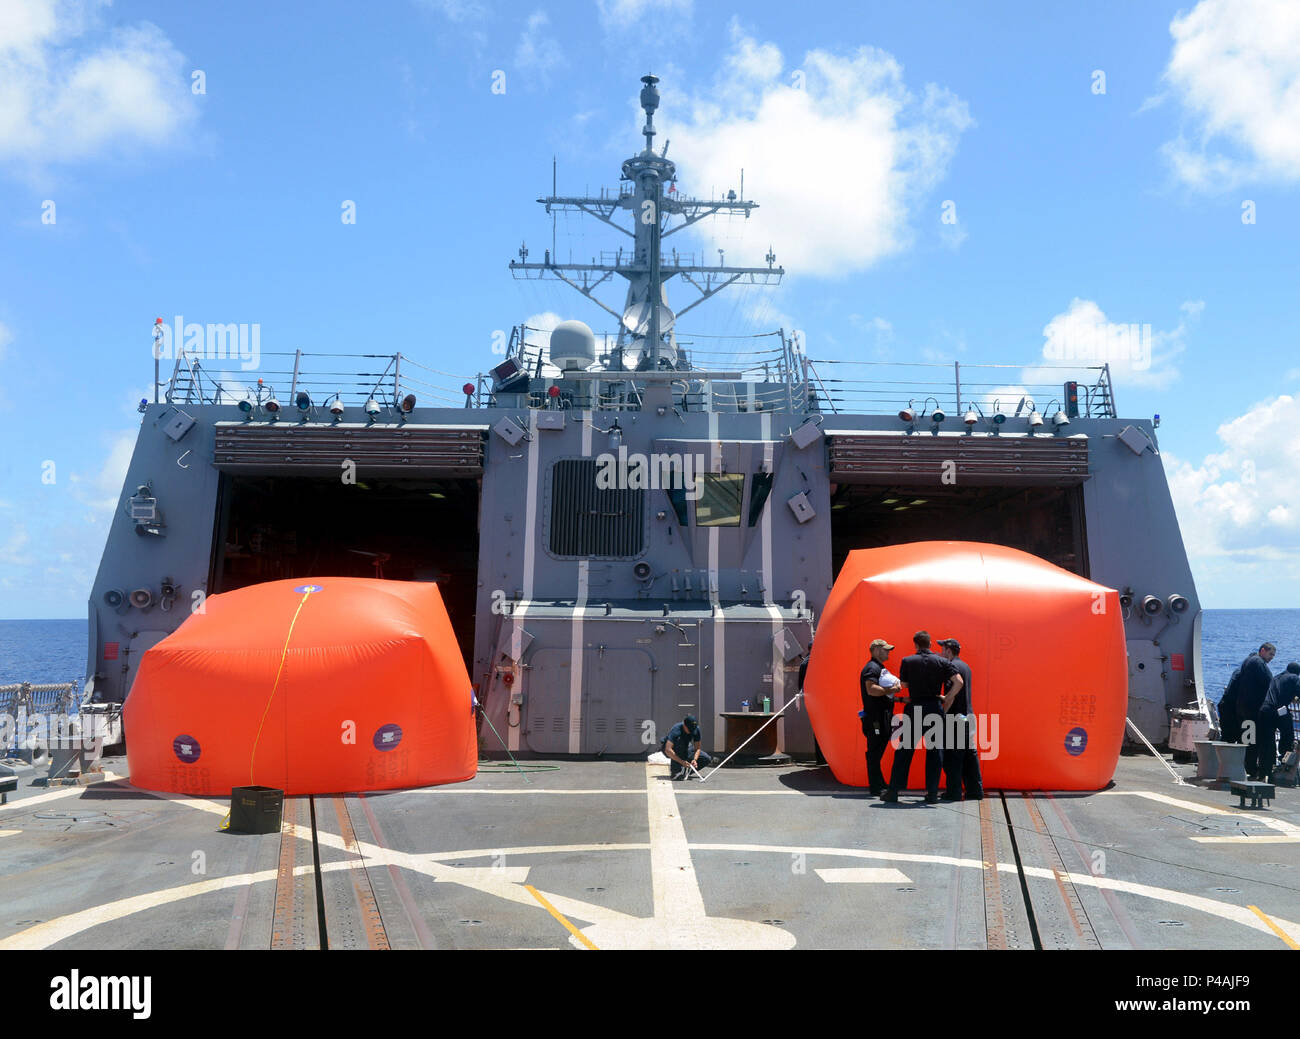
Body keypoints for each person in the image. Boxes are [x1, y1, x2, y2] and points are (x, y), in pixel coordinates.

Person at [882, 631, 961, 805]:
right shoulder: (942, 662)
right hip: (934, 708)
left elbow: (903, 686)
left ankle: (894, 791)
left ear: (916, 645)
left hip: (915, 709)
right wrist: (946, 698)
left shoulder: (908, 661)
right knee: (935, 752)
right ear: (930, 644)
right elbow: (959, 682)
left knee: (904, 751)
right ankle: (932, 793)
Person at [937, 638, 983, 802]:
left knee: (952, 756)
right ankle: (975, 791)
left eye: (942, 650)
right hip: (968, 716)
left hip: (955, 718)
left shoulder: (952, 667)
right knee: (970, 755)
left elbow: (952, 695)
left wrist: (942, 714)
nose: (941, 653)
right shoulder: (966, 666)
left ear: (949, 651)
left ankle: (953, 792)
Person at [859, 637, 896, 796]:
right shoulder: (872, 668)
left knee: (876, 751)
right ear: (875, 650)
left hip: (881, 717)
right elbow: (871, 690)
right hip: (876, 718)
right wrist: (892, 690)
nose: (888, 652)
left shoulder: (877, 667)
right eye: (885, 649)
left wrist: (897, 697)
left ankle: (879, 783)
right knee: (874, 752)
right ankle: (876, 787)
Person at [1236, 643, 1277, 778]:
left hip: (1243, 707)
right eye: (1270, 654)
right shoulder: (1259, 663)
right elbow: (1269, 682)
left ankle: (1243, 767)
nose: (1271, 658)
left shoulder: (1248, 661)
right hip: (1253, 709)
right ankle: (1251, 769)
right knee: (1253, 741)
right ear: (1263, 650)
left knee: (1246, 739)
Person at [1254, 662, 1300, 781]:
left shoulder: (1277, 677)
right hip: (1279, 710)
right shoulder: (1294, 677)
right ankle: (1285, 762)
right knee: (1288, 735)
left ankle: (1265, 771)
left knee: (1267, 742)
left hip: (1264, 710)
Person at [661, 714, 713, 780]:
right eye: (689, 729)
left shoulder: (696, 729)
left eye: (693, 729)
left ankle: (685, 771)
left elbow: (697, 748)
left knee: (706, 758)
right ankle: (675, 772)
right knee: (680, 744)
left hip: (686, 746)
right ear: (684, 725)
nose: (691, 731)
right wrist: (682, 762)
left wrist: (695, 759)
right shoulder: (676, 729)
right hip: (669, 748)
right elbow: (667, 750)